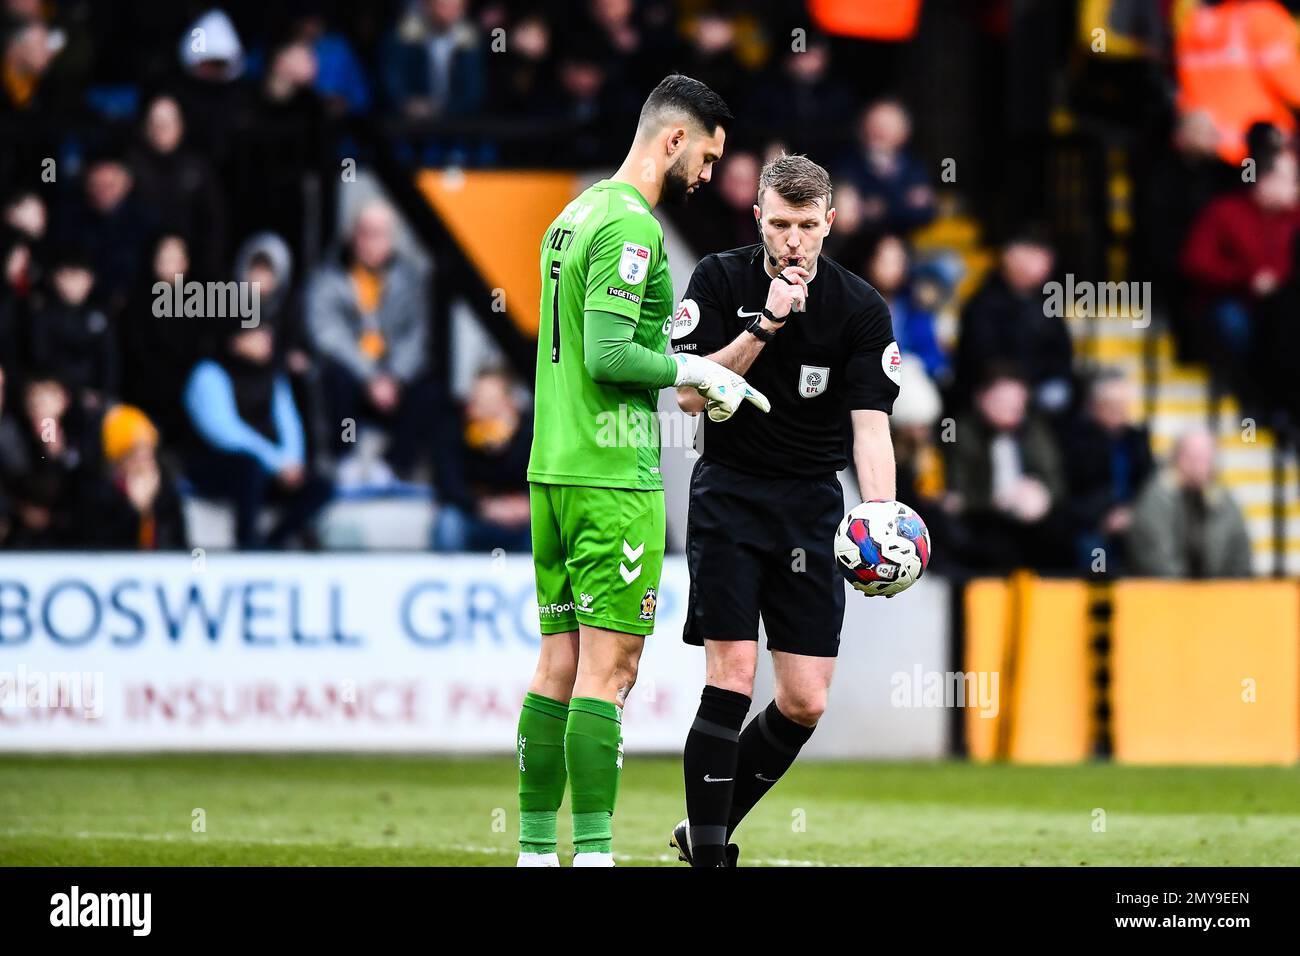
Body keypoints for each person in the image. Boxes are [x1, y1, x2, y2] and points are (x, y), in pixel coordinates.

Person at [517, 74, 764, 868]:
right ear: (672, 139)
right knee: (610, 670)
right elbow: (609, 353)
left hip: (553, 468)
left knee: (557, 664)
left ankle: (530, 852)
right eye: (706, 156)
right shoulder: (631, 228)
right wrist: (696, 369)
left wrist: (694, 376)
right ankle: (591, 855)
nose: (708, 175)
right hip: (610, 473)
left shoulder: (574, 214)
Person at [667, 154, 901, 867]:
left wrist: (882, 516)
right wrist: (765, 324)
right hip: (729, 495)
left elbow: (871, 426)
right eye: (779, 224)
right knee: (732, 675)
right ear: (757, 219)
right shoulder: (719, 278)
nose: (793, 240)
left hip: (809, 507)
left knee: (803, 701)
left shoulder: (860, 307)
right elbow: (687, 396)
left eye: (806, 225)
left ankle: (702, 825)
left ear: (829, 223)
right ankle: (711, 856)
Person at [307, 199, 434, 476]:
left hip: (391, 375)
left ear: (392, 238)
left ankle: (393, 467)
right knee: (334, 375)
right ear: (353, 235)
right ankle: (344, 461)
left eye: (380, 234)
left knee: (427, 387)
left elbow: (416, 336)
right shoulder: (328, 277)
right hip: (354, 371)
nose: (371, 242)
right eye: (365, 232)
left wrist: (394, 376)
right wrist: (369, 377)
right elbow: (327, 335)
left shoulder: (408, 278)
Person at [181, 316, 331, 550]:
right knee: (248, 468)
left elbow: (289, 421)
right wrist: (276, 462)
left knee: (321, 486)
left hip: (270, 467)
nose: (267, 339)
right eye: (258, 334)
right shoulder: (208, 374)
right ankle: (247, 543)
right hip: (217, 465)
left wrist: (291, 461)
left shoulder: (272, 375)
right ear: (236, 341)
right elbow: (224, 431)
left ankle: (275, 542)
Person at [432, 367, 532, 553]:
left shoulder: (529, 432)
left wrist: (505, 446)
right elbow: (448, 484)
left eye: (492, 402)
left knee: (542, 525)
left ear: (510, 403)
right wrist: (484, 507)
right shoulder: (455, 429)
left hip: (518, 521)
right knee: (448, 522)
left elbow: (536, 480)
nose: (484, 409)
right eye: (479, 401)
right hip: (475, 516)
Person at [1128, 429, 1253, 578]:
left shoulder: (1223, 500)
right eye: (1191, 457)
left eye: (1204, 459)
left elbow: (1240, 554)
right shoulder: (1157, 498)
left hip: (1218, 594)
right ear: (1176, 458)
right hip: (1165, 594)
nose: (1197, 466)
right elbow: (1155, 559)